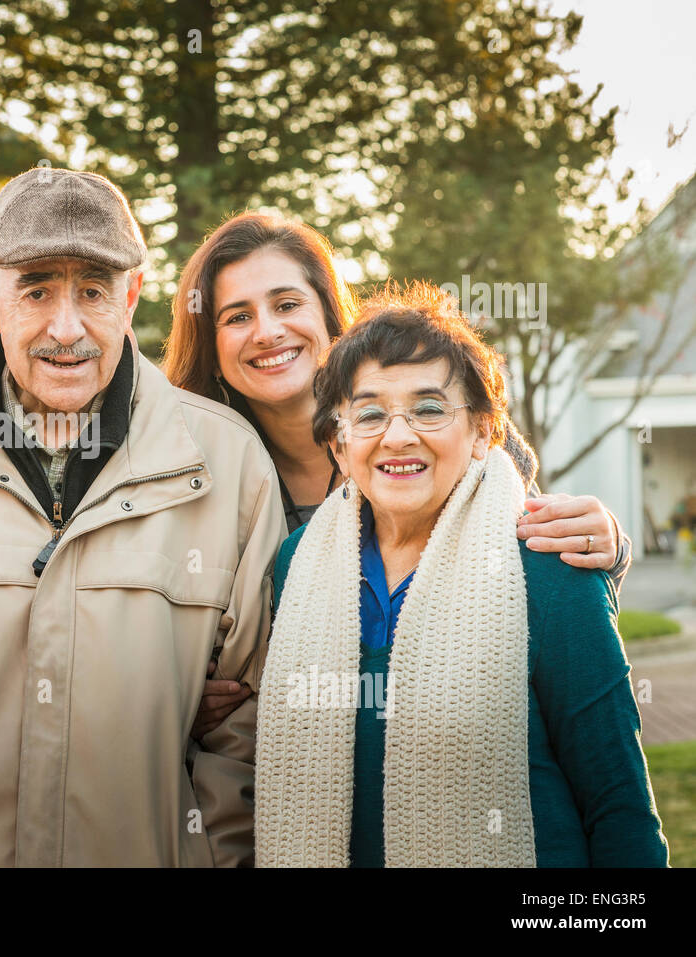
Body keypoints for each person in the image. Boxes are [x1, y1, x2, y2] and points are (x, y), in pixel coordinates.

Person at [0, 168, 285, 866]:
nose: (67, 327)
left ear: (131, 297)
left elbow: (247, 729)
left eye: (92, 291)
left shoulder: (229, 466)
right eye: (38, 290)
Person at [164, 211, 635, 734]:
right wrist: (176, 688)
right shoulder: (193, 475)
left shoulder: (459, 447)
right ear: (211, 344)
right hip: (265, 771)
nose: (268, 331)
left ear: (328, 315)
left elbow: (531, 583)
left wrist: (606, 546)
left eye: (287, 304)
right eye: (236, 317)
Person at [253, 284, 668, 866]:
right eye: (370, 413)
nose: (400, 435)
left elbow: (619, 805)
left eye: (429, 408)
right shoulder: (298, 562)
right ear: (339, 445)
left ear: (480, 432)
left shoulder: (547, 559)